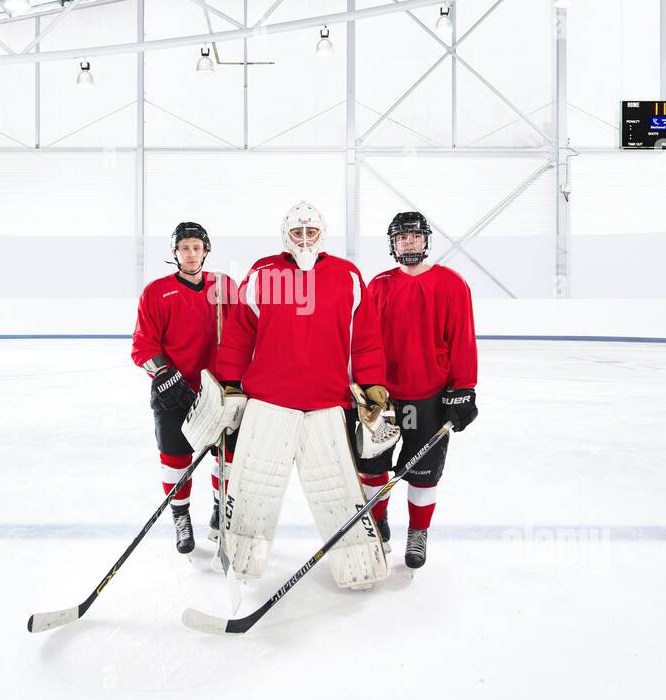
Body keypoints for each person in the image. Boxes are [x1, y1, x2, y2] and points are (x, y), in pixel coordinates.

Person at [182, 201, 394, 589]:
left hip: (327, 403)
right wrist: (230, 383)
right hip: (268, 402)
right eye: (298, 232)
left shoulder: (347, 276)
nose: (305, 240)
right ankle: (240, 561)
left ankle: (358, 565)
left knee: (338, 490)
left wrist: (373, 385)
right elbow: (239, 332)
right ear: (286, 236)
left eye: (312, 232)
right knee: (253, 488)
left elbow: (365, 339)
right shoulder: (263, 273)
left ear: (322, 235)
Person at [358, 211, 478, 570]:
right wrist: (361, 385)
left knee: (424, 473)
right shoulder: (378, 285)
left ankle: (417, 532)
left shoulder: (451, 284)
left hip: (430, 396)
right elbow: (362, 342)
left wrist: (464, 389)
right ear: (393, 244)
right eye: (401, 237)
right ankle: (377, 523)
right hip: (383, 398)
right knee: (371, 467)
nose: (408, 241)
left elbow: (462, 341)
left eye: (414, 235)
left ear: (426, 240)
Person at [130, 222, 238, 554]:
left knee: (226, 456)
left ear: (205, 251)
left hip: (217, 392)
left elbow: (244, 331)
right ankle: (181, 517)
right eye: (184, 248)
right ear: (175, 253)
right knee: (175, 459)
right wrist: (164, 375)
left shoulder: (224, 286)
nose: (190, 254)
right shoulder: (156, 292)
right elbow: (142, 345)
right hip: (173, 391)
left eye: (196, 247)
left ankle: (220, 509)